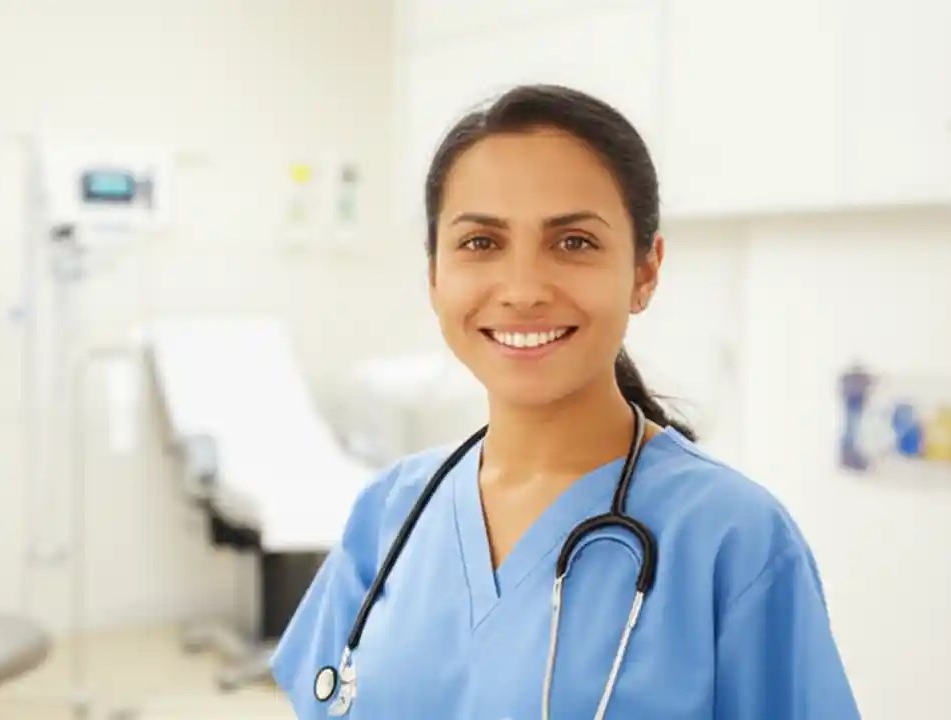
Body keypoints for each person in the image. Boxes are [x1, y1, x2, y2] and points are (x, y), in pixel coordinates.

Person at [269, 85, 860, 719]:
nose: (523, 290)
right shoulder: (392, 511)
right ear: (434, 275)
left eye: (573, 242)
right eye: (480, 243)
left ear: (645, 271)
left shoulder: (733, 538)